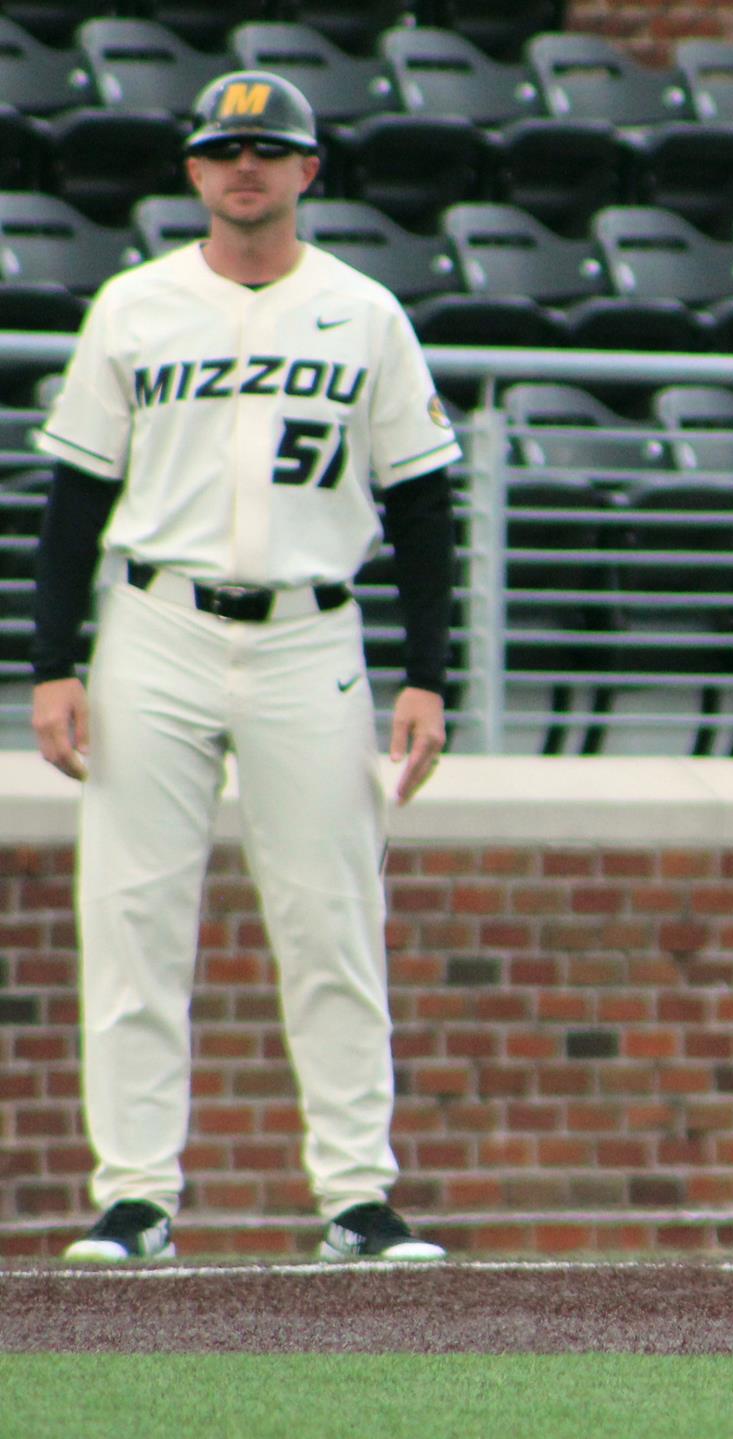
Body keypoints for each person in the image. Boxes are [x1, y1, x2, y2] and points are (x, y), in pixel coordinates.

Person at [31, 71, 456, 1264]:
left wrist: (430, 674)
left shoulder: (364, 311)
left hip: (311, 629)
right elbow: (74, 496)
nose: (246, 168)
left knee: (333, 917)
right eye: (225, 150)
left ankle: (357, 1195)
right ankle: (135, 1196)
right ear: (194, 170)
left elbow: (423, 501)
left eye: (268, 149)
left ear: (308, 169)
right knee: (133, 915)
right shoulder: (134, 306)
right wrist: (52, 662)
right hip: (154, 623)